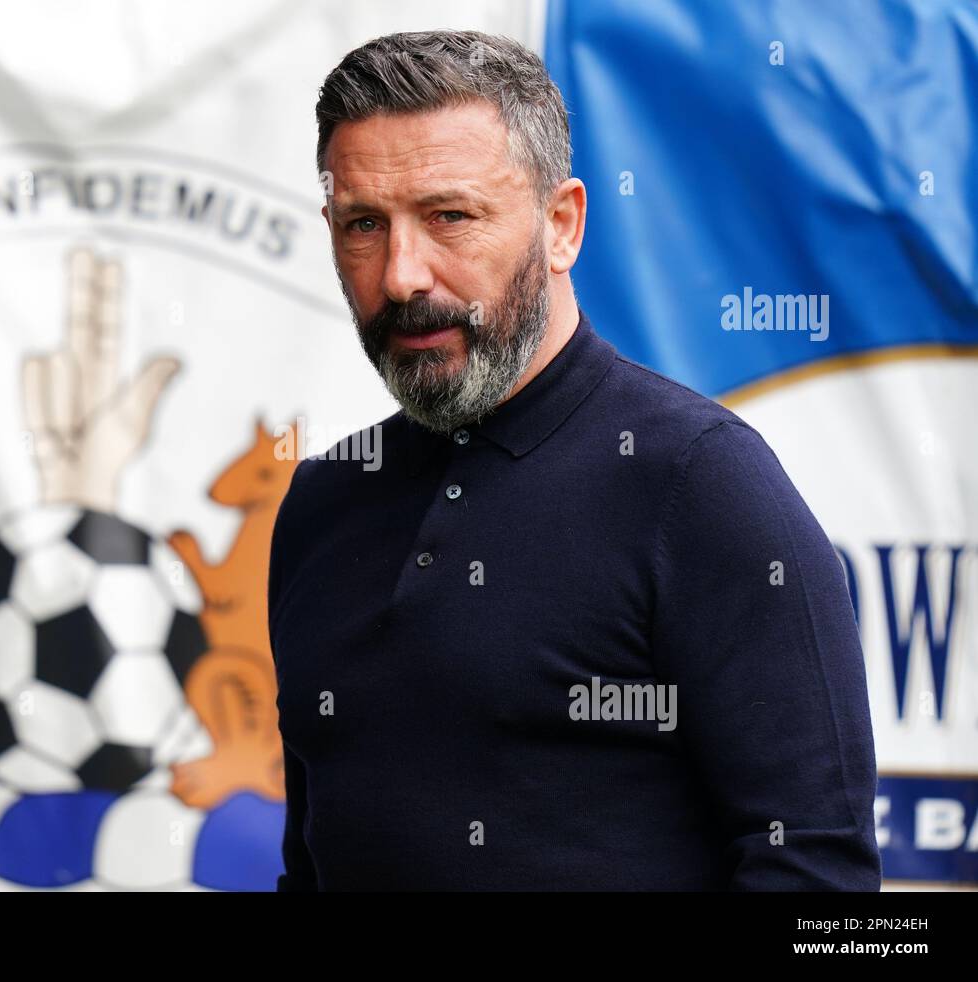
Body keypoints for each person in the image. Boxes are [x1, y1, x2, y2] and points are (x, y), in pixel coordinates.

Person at [268, 29, 880, 890]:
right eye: (365, 225)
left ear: (561, 226)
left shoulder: (701, 484)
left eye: (450, 216)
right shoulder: (321, 504)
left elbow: (820, 881)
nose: (403, 275)